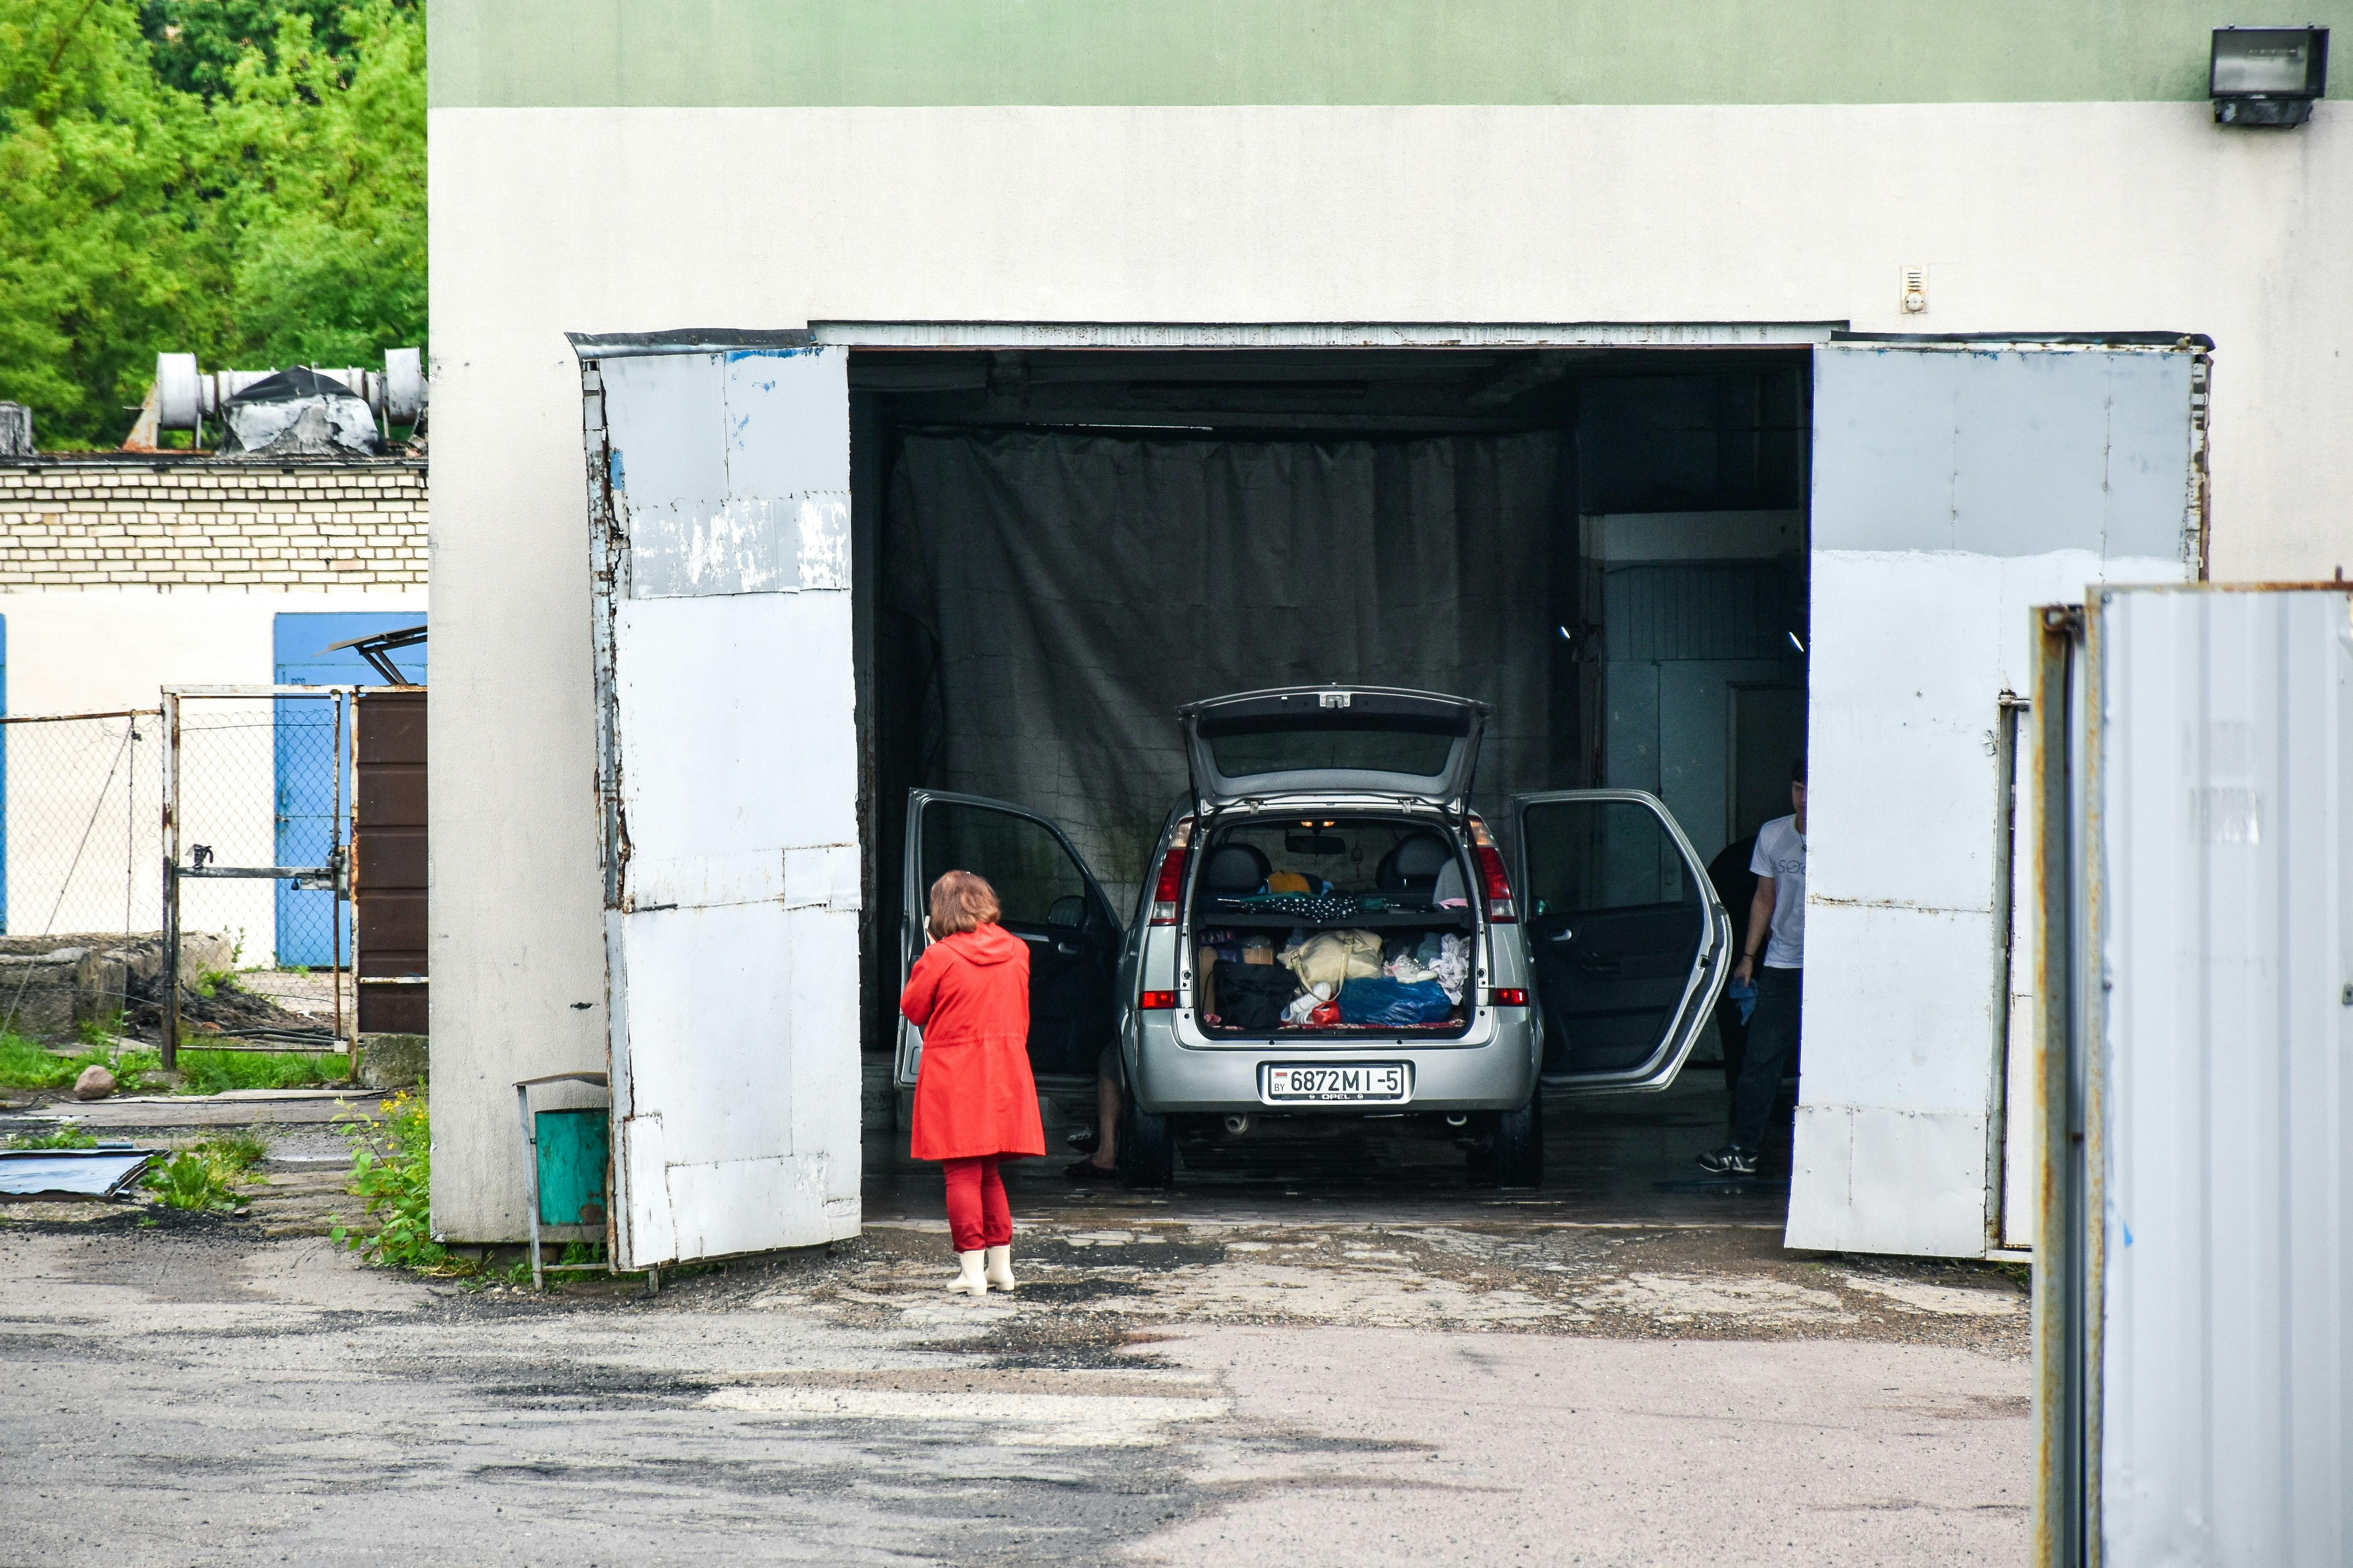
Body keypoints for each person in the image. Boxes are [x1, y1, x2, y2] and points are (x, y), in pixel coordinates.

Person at [899, 869, 1047, 1294]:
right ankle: (1001, 1268)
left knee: (961, 1173)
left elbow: (913, 1008)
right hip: (1005, 1071)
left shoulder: (941, 956)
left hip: (955, 1076)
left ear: (940, 912)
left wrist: (930, 950)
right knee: (990, 1174)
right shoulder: (1018, 950)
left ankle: (971, 1272)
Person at [1700, 758, 1806, 1177]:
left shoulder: (1844, 837)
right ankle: (1744, 1148)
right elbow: (1764, 898)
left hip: (1832, 967)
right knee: (1760, 1057)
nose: (1803, 800)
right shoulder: (1774, 835)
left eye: (1811, 791)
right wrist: (1747, 958)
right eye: (1798, 789)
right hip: (1782, 960)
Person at [1704, 832, 1760, 1132]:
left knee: (1735, 1020)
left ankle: (1737, 1082)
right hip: (1759, 953)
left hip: (1732, 950)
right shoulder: (1765, 854)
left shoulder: (1735, 857)